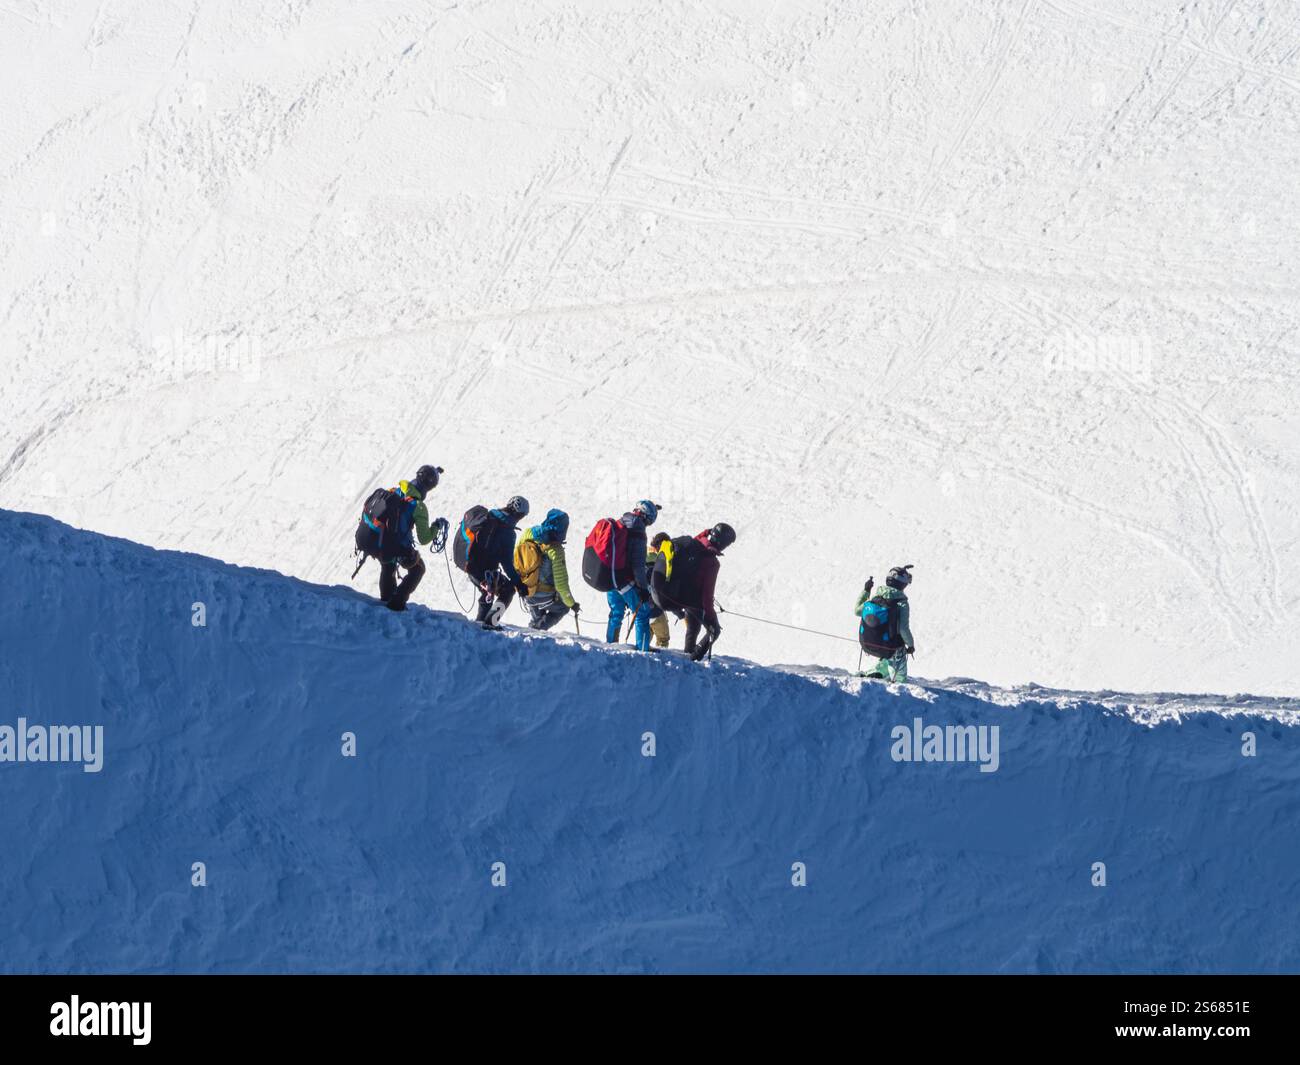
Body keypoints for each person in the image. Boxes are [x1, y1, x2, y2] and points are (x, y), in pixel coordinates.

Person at [354, 464, 446, 612]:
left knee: (388, 564)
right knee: (418, 569)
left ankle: (387, 598)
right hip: (392, 545)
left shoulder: (395, 491)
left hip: (377, 539)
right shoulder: (418, 506)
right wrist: (437, 526)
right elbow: (424, 538)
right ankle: (397, 603)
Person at [581, 500, 660, 651]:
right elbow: (637, 565)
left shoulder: (621, 522)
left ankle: (611, 645)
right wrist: (643, 588)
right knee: (642, 612)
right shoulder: (638, 531)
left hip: (609, 574)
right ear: (648, 518)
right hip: (623, 580)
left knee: (616, 611)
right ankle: (643, 652)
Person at [650, 522, 735, 660]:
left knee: (693, 621)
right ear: (723, 543)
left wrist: (706, 532)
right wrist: (712, 619)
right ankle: (692, 658)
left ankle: (688, 656)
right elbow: (707, 597)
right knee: (713, 631)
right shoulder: (712, 563)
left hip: (670, 591)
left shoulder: (695, 545)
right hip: (688, 599)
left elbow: (698, 539)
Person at [452, 495, 531, 629]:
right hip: (484, 570)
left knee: (487, 593)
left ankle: (480, 624)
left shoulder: (489, 517)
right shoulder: (508, 533)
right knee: (507, 590)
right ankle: (489, 624)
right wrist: (519, 584)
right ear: (520, 516)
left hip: (470, 565)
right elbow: (506, 563)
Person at [514, 508, 579, 631]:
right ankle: (539, 631)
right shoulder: (556, 550)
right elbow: (561, 585)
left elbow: (517, 558)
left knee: (536, 618)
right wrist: (572, 604)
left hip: (526, 590)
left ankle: (532, 633)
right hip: (545, 595)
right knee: (563, 608)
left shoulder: (529, 533)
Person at [856, 565, 915, 682]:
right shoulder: (902, 603)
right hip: (891, 646)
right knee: (900, 677)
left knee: (887, 644)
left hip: (870, 642)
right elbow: (903, 629)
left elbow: (857, 611)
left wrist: (866, 590)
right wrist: (911, 645)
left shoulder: (876, 597)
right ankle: (897, 681)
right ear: (903, 585)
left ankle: (878, 672)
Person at [646, 532, 672, 649]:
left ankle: (642, 657)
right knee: (663, 638)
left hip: (642, 607)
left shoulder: (644, 555)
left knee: (647, 635)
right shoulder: (661, 560)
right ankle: (661, 663)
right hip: (655, 609)